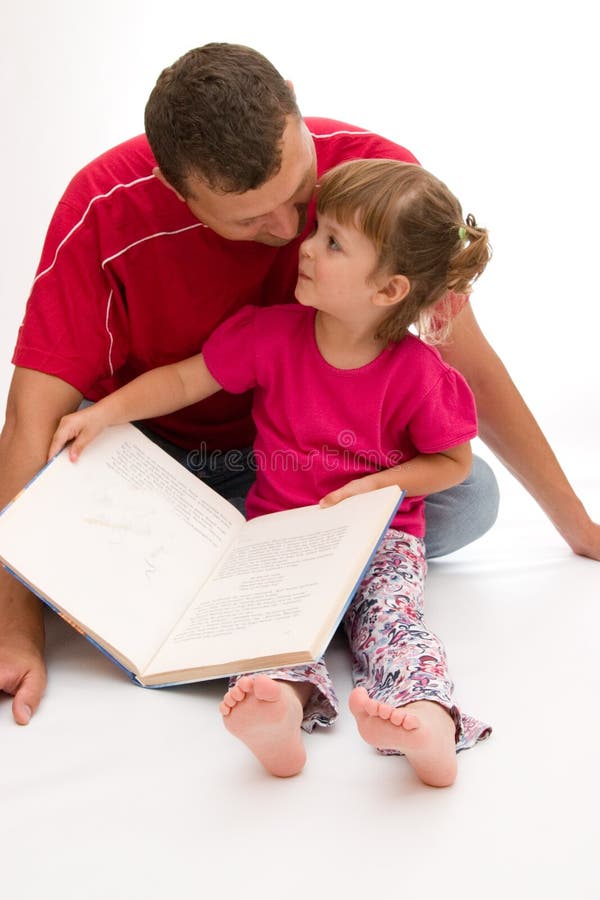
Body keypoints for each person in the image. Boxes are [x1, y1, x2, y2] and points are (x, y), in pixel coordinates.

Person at [0, 44, 598, 728]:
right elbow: (31, 417)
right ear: (174, 187)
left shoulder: (376, 184)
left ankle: (241, 569)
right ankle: (230, 571)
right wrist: (14, 630)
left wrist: (577, 526)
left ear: (292, 98)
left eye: (299, 195)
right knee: (65, 450)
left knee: (471, 498)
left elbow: (467, 368)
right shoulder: (103, 204)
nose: (290, 233)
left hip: (306, 466)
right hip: (155, 453)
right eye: (249, 218)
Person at [49, 158, 493, 786]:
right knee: (262, 632)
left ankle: (428, 723)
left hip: (381, 538)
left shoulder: (419, 373)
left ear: (389, 290)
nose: (303, 248)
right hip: (280, 538)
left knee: (395, 625)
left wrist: (383, 485)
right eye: (317, 230)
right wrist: (105, 412)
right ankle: (280, 710)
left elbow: (454, 463)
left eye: (332, 243)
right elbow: (185, 380)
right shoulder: (271, 334)